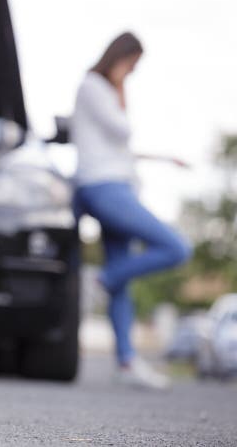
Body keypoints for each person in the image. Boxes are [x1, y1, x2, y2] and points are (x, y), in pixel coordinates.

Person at [71, 31, 192, 389]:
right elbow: (120, 130)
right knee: (176, 247)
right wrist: (120, 86)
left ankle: (125, 362)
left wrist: (166, 158)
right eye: (132, 64)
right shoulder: (94, 86)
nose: (132, 72)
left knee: (122, 280)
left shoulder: (104, 91)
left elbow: (121, 148)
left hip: (116, 183)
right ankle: (98, 280)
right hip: (103, 187)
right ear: (121, 56)